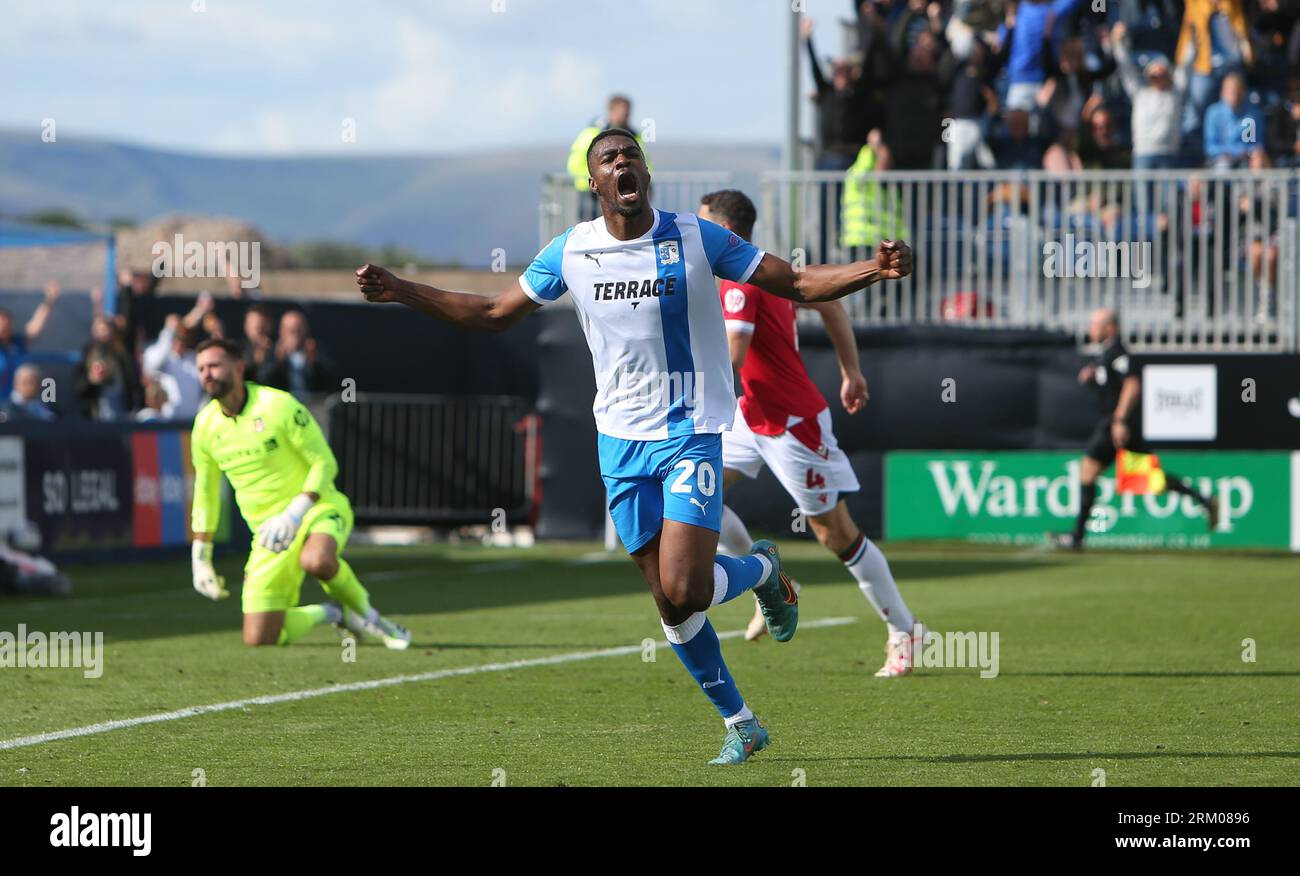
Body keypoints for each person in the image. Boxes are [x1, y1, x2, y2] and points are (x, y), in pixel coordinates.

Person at [356, 128, 913, 764]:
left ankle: (764, 572)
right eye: (608, 159)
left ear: (645, 173)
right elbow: (490, 313)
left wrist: (874, 267)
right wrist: (403, 290)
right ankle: (742, 721)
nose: (622, 163)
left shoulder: (698, 237)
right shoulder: (571, 252)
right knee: (669, 605)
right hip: (619, 444)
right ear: (594, 183)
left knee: (688, 587)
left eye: (631, 155)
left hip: (689, 434)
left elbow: (797, 282)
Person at [698, 189, 926, 677]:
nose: (696, 236)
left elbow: (734, 354)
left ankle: (904, 628)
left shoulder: (739, 282)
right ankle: (770, 584)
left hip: (792, 422)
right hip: (750, 414)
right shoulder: (760, 269)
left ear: (724, 232)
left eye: (703, 226)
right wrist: (852, 371)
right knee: (699, 494)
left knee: (836, 535)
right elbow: (830, 305)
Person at [189, 338, 410, 649]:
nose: (206, 374)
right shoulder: (204, 427)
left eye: (213, 365)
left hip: (315, 509)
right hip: (269, 534)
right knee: (260, 638)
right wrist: (200, 555)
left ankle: (374, 619)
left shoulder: (278, 405)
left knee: (317, 560)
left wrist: (295, 513)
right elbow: (206, 491)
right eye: (200, 368)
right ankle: (332, 612)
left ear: (239, 367)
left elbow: (325, 462)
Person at [1052, 309, 1219, 550]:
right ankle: (1204, 501)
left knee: (1087, 472)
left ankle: (1076, 538)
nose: (1090, 329)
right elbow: (1110, 380)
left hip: (1115, 424)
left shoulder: (1119, 353)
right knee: (1150, 478)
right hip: (1119, 425)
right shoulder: (1106, 354)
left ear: (1110, 328)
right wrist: (1091, 376)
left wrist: (1119, 420)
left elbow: (1132, 384)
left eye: (1095, 324)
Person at [565, 95, 653, 219]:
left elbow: (644, 159)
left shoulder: (634, 135)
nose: (625, 117)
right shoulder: (593, 132)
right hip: (590, 192)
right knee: (592, 227)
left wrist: (647, 180)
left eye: (627, 113)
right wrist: (597, 179)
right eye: (622, 113)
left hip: (623, 188)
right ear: (611, 111)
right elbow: (575, 161)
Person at [0, 280, 61, 398]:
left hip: (17, 405)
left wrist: (50, 300)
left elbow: (34, 328)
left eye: (6, 325)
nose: (3, 329)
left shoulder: (16, 343)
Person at [1203, 72, 1271, 168]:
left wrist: (1251, 153)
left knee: (1258, 161)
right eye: (1231, 92)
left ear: (1244, 92)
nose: (1234, 96)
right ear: (1223, 92)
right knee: (1223, 166)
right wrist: (1230, 153)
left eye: (1237, 92)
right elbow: (1211, 147)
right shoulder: (1213, 112)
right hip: (1221, 159)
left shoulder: (1253, 114)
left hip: (1246, 158)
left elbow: (1255, 143)